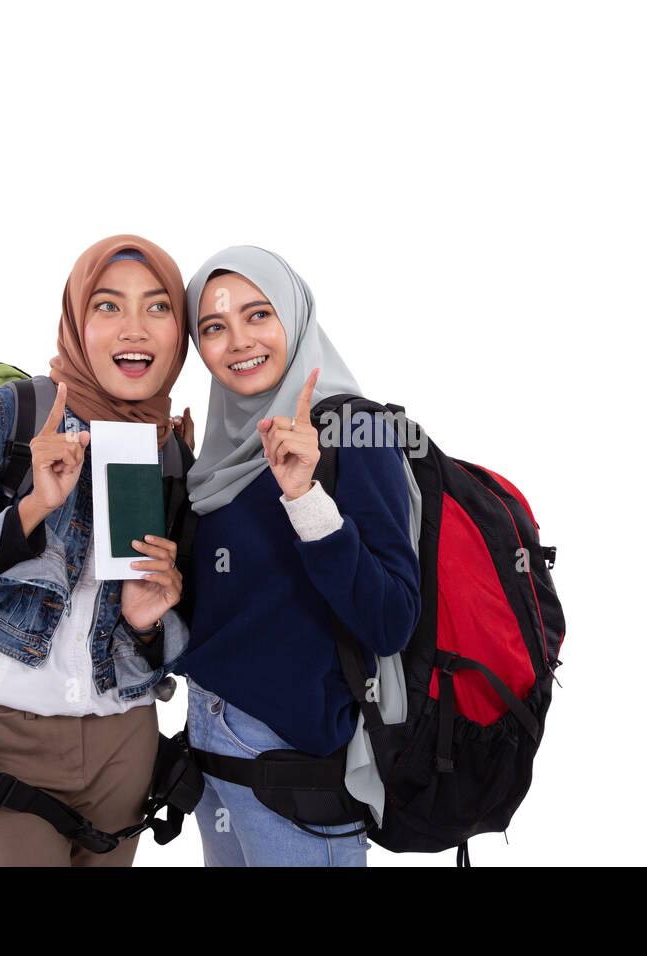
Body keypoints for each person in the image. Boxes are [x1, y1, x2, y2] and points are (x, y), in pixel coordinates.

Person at [0, 235, 194, 866]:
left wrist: (146, 628)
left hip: (124, 740)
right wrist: (28, 512)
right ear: (77, 319)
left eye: (158, 307)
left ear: (180, 331)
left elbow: (155, 629)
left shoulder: (170, 452)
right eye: (108, 306)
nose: (133, 328)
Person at [169, 246, 421, 867]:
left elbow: (390, 620)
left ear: (295, 317)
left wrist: (305, 497)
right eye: (213, 327)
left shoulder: (355, 434)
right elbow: (228, 618)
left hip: (297, 778)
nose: (238, 341)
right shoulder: (214, 462)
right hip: (210, 758)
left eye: (259, 315)